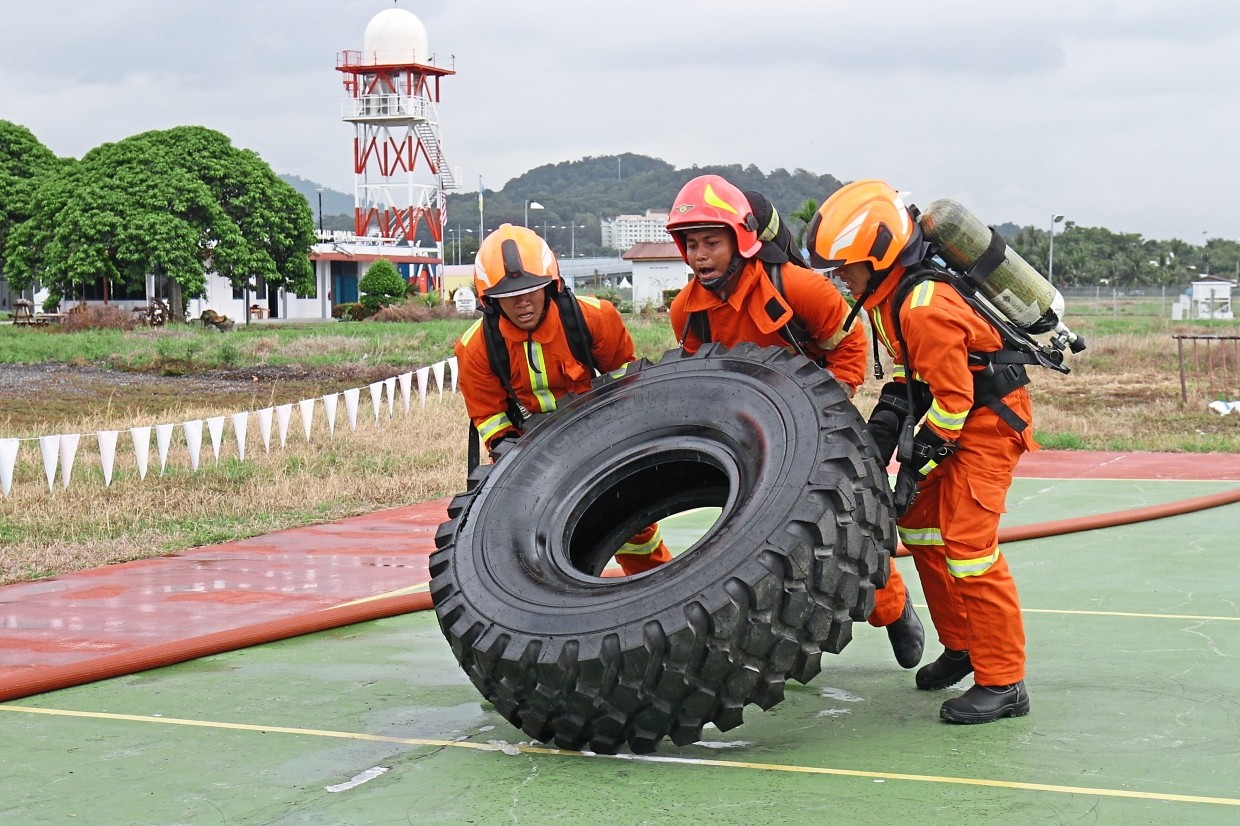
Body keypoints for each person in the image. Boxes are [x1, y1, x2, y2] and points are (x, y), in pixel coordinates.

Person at [665, 174, 924, 670]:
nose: (701, 255)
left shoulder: (799, 288)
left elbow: (848, 345)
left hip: (817, 427)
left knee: (849, 526)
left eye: (712, 243)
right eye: (692, 244)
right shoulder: (687, 312)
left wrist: (834, 401)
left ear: (740, 239)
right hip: (747, 440)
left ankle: (892, 611)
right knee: (760, 543)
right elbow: (698, 380)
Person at [806, 179, 1035, 724]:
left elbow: (952, 405)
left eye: (846, 265)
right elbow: (911, 382)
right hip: (954, 413)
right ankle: (963, 648)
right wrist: (876, 444)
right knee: (922, 530)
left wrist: (912, 465)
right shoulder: (890, 298)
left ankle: (1004, 682)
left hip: (986, 423)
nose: (839, 275)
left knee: (969, 548)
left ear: (879, 256)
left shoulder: (924, 306)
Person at [454, 223, 672, 575]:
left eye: (531, 290)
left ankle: (657, 585)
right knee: (533, 542)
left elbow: (630, 387)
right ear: (489, 299)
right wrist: (516, 463)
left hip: (599, 435)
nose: (522, 301)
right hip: (530, 450)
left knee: (633, 523)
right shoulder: (475, 348)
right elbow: (490, 417)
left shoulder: (595, 318)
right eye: (508, 295)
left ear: (551, 285)